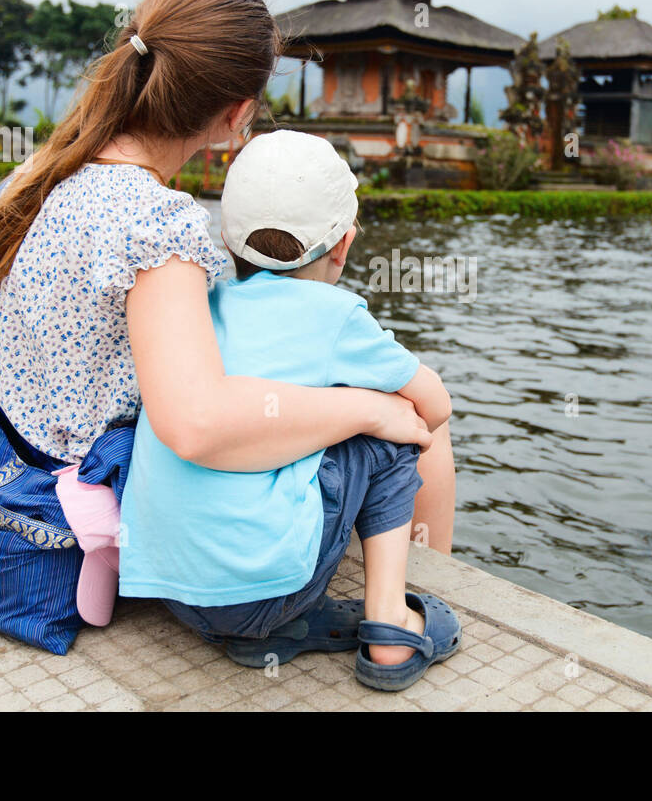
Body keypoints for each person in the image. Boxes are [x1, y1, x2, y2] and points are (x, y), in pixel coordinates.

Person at [0, 0, 451, 656]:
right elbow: (197, 424)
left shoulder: (36, 176)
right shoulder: (158, 223)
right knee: (407, 417)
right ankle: (414, 595)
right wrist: (366, 408)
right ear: (239, 113)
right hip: (82, 526)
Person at [121, 130, 461, 690]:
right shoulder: (338, 316)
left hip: (173, 594)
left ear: (227, 241)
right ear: (344, 245)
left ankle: (271, 629)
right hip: (265, 592)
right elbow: (437, 404)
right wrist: (374, 399)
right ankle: (391, 624)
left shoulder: (200, 306)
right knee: (398, 425)